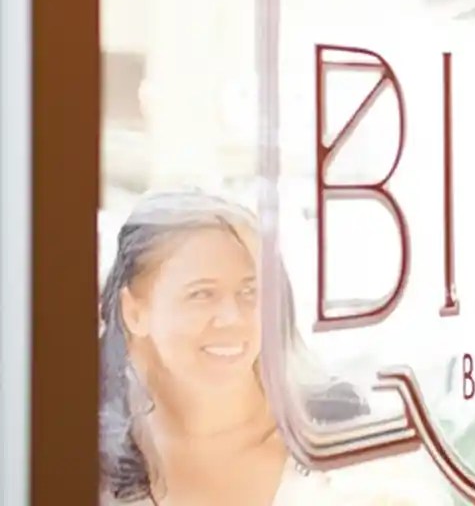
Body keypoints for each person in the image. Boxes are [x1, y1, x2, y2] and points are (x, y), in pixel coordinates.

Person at [98, 189, 446, 505]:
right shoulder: (92, 463)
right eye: (201, 294)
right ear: (134, 312)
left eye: (250, 292)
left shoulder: (357, 465)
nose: (231, 317)